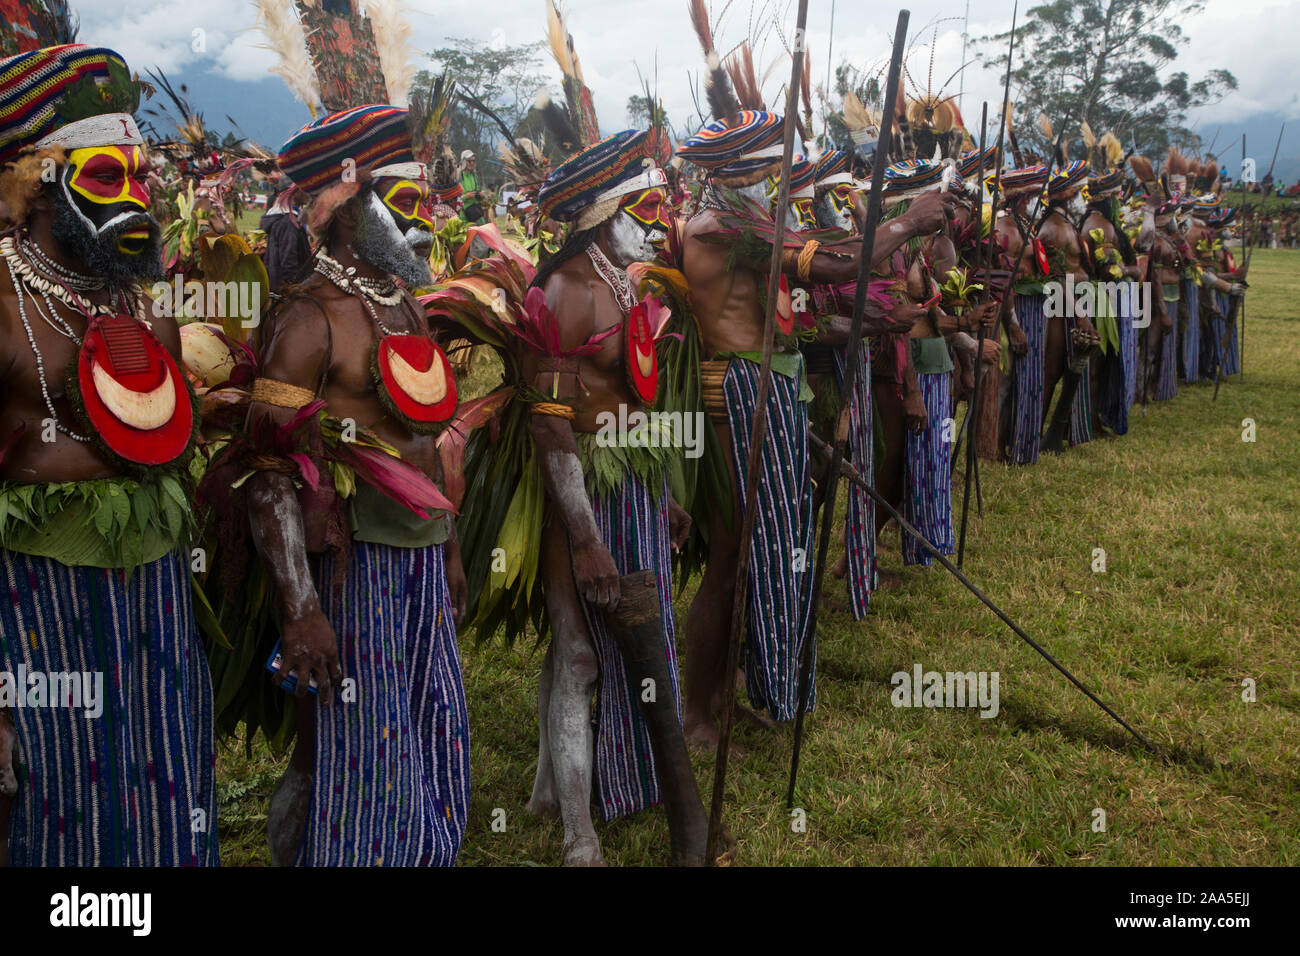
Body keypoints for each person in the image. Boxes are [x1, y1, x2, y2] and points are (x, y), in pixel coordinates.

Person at [0, 43, 217, 866]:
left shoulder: (145, 311)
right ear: (41, 183)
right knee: (57, 790)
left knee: (165, 771)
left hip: (155, 592)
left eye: (140, 178)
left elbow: (175, 439)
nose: (136, 199)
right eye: (103, 178)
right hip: (39, 601)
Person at [241, 104, 470, 866]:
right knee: (353, 742)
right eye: (399, 200)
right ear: (346, 210)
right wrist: (301, 611)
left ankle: (420, 850)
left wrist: (453, 548)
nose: (422, 220)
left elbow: (426, 439)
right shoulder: (308, 316)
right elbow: (268, 473)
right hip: (352, 563)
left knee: (423, 719)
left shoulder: (402, 301)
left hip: (420, 555)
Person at [459, 149, 486, 224]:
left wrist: (481, 195)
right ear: (463, 162)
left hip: (475, 212)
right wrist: (465, 197)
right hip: (463, 215)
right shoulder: (459, 177)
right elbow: (454, 198)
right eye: (469, 161)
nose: (472, 163)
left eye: (473, 161)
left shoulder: (474, 176)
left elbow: (479, 191)